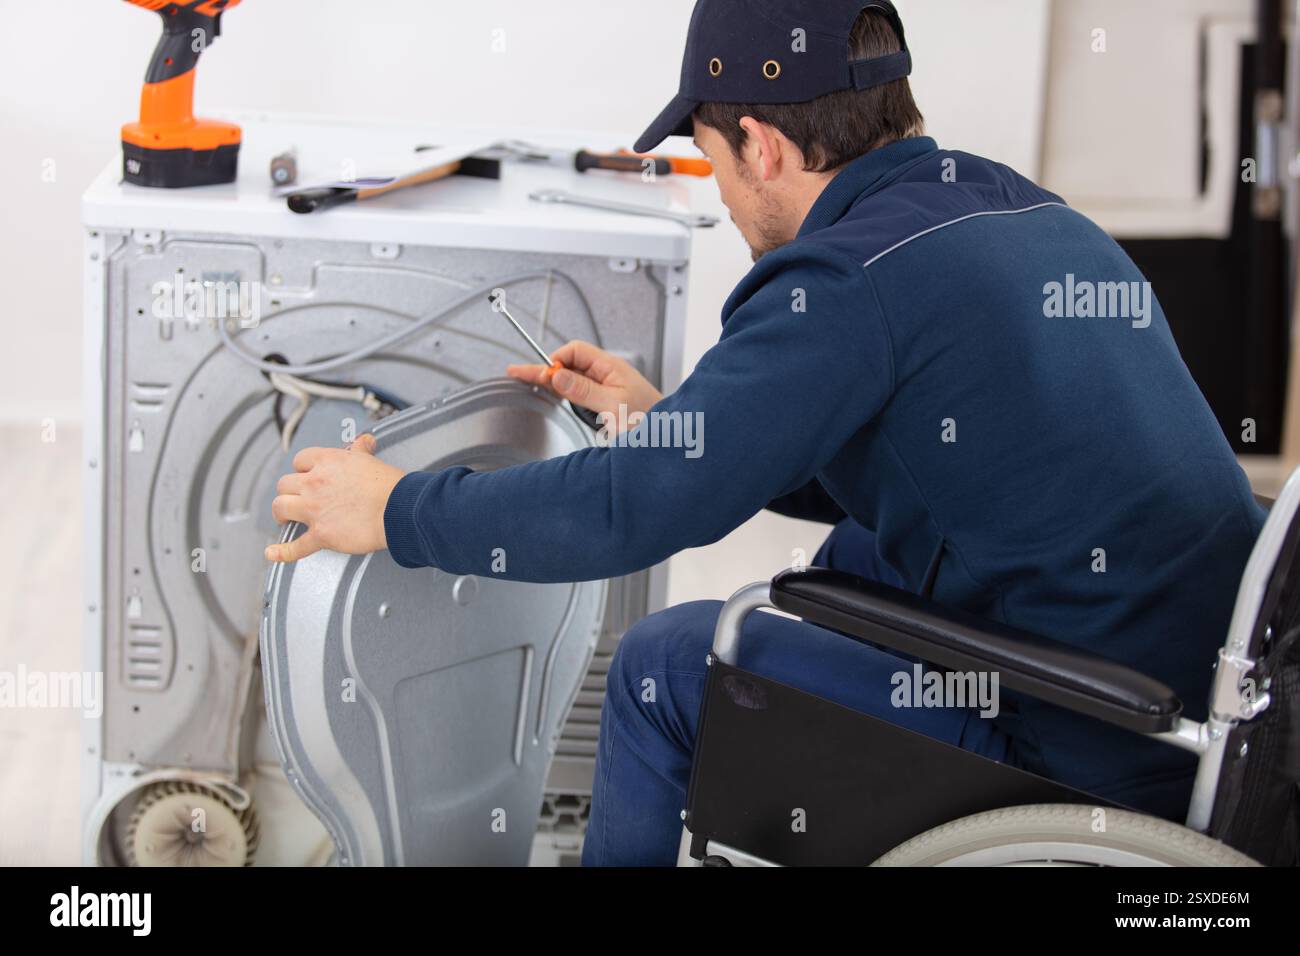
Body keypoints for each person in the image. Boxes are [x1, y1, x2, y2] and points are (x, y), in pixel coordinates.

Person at [266, 0, 1266, 865]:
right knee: (851, 553)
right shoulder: (1009, 206)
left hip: (1086, 746)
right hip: (1186, 701)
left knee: (664, 665)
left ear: (764, 144)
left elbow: (627, 511)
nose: (722, 192)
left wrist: (396, 508)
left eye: (711, 162)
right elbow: (912, 455)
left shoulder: (842, 280)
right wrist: (667, 423)